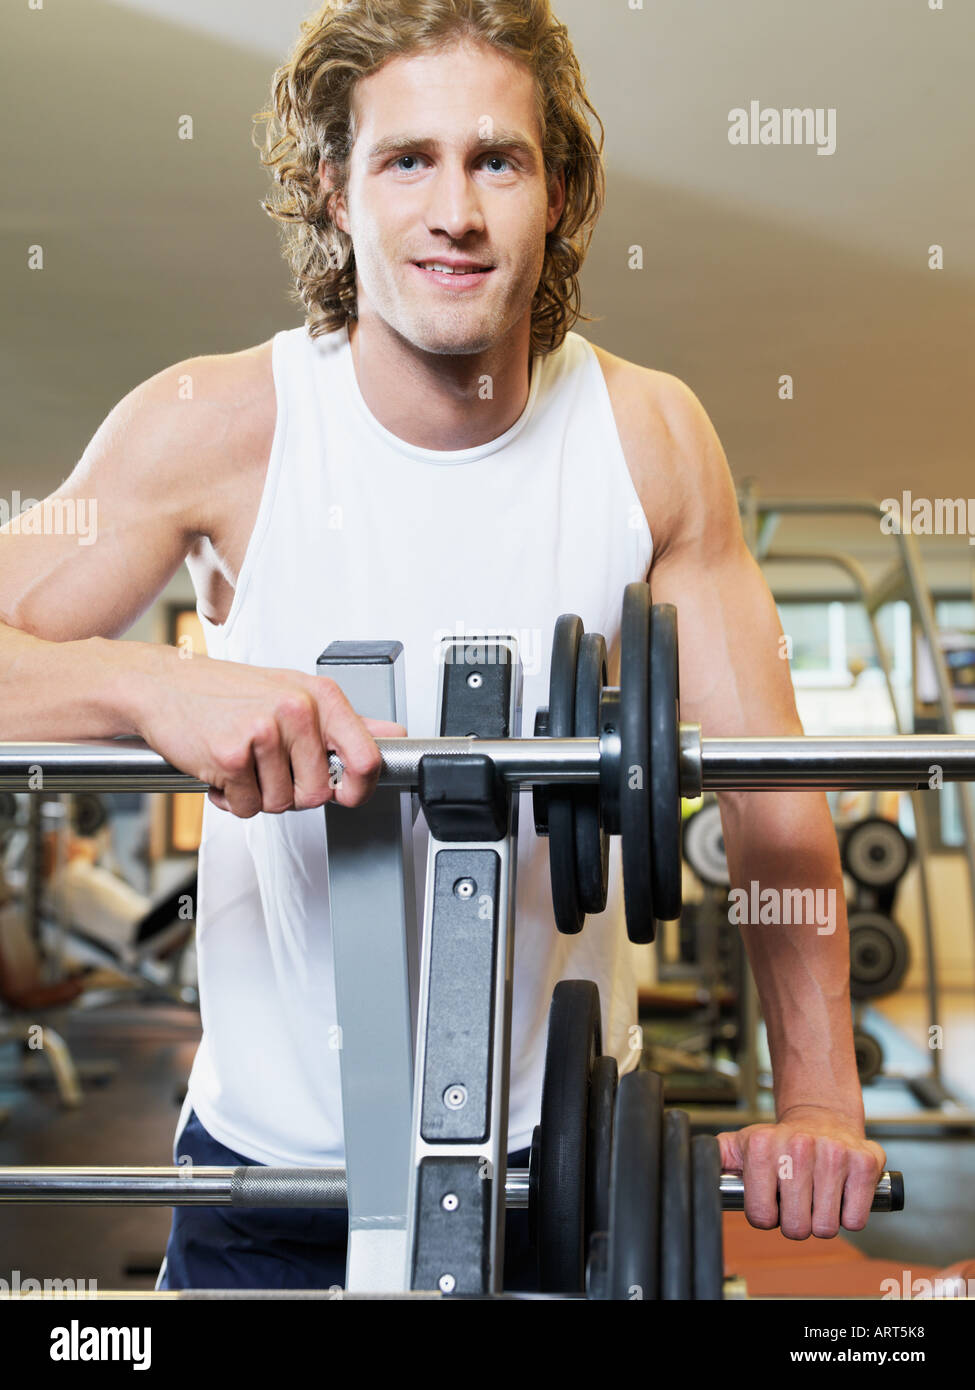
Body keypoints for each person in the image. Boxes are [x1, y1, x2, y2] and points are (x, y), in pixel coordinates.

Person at [0, 0, 884, 1290]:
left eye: (498, 160)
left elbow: (768, 794)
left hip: (571, 1174)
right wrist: (158, 684)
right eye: (405, 159)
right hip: (272, 1176)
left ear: (562, 193)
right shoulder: (213, 425)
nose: (453, 210)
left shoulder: (650, 436)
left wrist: (815, 1099)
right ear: (333, 187)